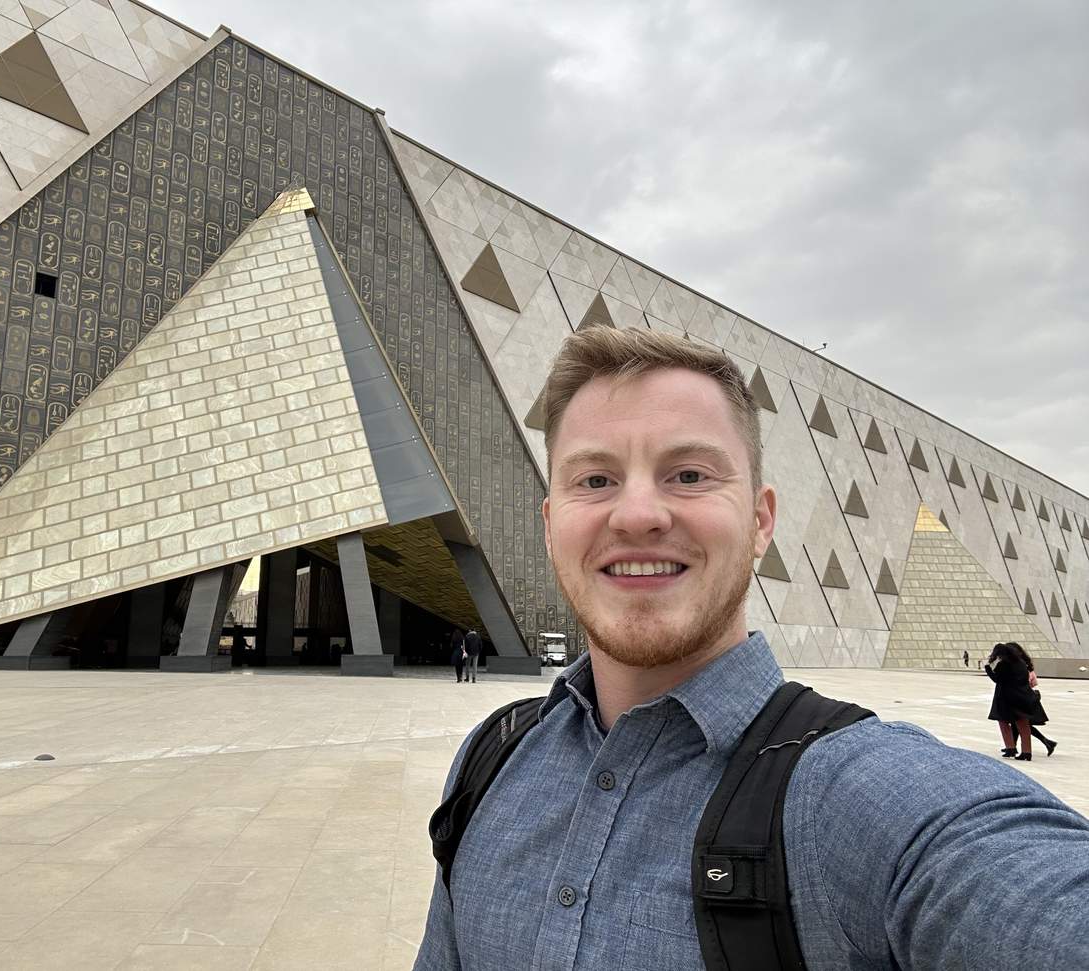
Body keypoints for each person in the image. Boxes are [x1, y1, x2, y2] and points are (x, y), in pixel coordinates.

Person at [414, 327, 1089, 970]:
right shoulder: (491, 760)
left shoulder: (857, 797)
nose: (638, 513)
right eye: (594, 479)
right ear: (549, 523)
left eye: (687, 474)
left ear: (760, 520)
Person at [996, 641, 1057, 757]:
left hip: (1021, 698)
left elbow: (1029, 682)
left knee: (1021, 724)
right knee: (1020, 724)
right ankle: (1013, 747)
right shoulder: (1024, 664)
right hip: (1025, 697)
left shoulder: (1020, 665)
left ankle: (1020, 748)